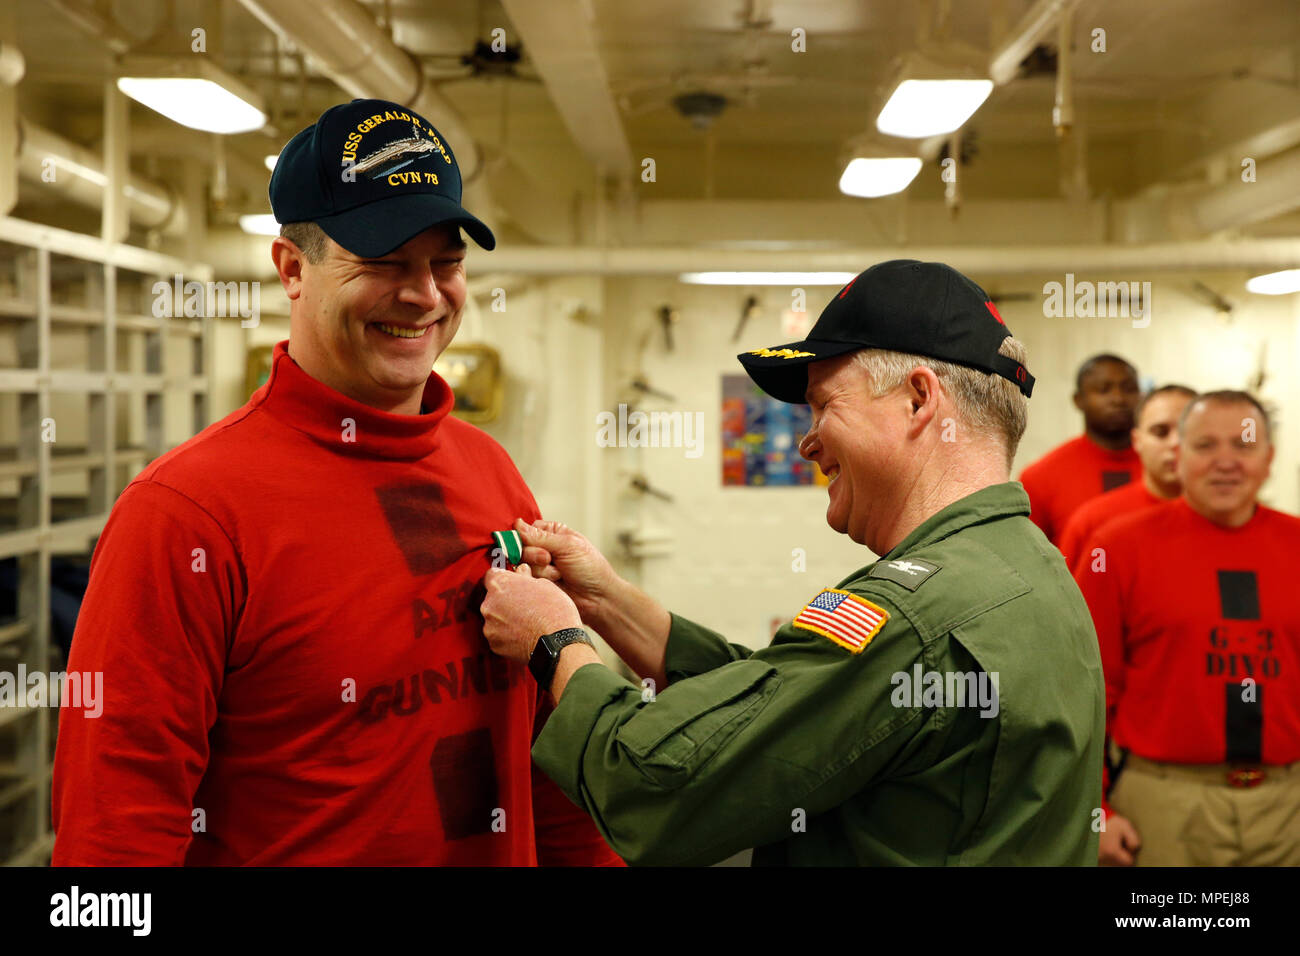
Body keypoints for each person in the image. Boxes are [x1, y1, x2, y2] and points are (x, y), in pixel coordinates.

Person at [51, 99, 621, 867]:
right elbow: (114, 827)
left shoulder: (488, 471)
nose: (424, 294)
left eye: (445, 263)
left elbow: (545, 754)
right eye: (385, 262)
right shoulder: (185, 515)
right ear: (292, 267)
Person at [480, 259, 1105, 866]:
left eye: (823, 404)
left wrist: (555, 641)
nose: (806, 441)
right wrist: (605, 599)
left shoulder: (912, 617)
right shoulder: (1031, 567)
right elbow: (791, 707)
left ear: (919, 400)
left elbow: (650, 787)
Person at [1075, 391, 1300, 866]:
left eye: (1243, 445)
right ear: (1180, 455)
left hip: (1289, 805)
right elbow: (1082, 693)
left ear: (1269, 458)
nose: (1225, 462)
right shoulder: (1116, 548)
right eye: (1205, 446)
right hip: (1165, 805)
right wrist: (1095, 811)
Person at [1058, 385, 1197, 571]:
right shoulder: (1094, 522)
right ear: (1137, 441)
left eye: (1188, 432)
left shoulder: (1232, 518)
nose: (1176, 443)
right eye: (1161, 432)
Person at [1018, 354, 1142, 547]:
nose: (1118, 399)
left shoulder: (1171, 469)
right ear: (1078, 400)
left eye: (1128, 389)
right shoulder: (1040, 477)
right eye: (1103, 390)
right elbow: (1028, 558)